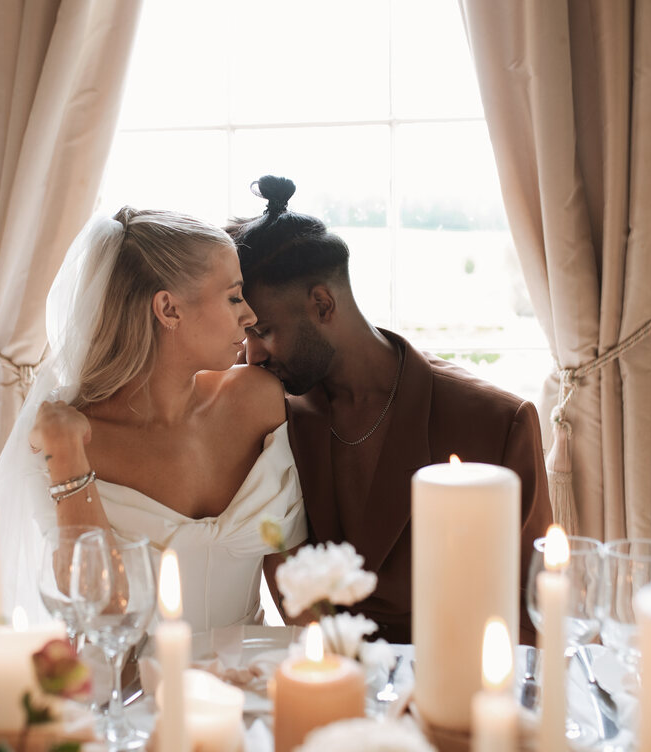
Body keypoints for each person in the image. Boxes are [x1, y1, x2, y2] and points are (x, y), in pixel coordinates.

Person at [227, 176, 553, 644]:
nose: (252, 357)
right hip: (327, 683)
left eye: (265, 332)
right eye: (245, 337)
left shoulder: (498, 422)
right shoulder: (273, 419)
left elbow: (533, 616)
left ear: (322, 303)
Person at [0, 207, 306, 632]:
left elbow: (294, 581)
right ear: (168, 310)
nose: (249, 316)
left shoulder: (259, 402)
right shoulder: (61, 438)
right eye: (233, 297)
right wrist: (67, 457)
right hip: (131, 690)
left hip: (247, 682)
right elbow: (100, 606)